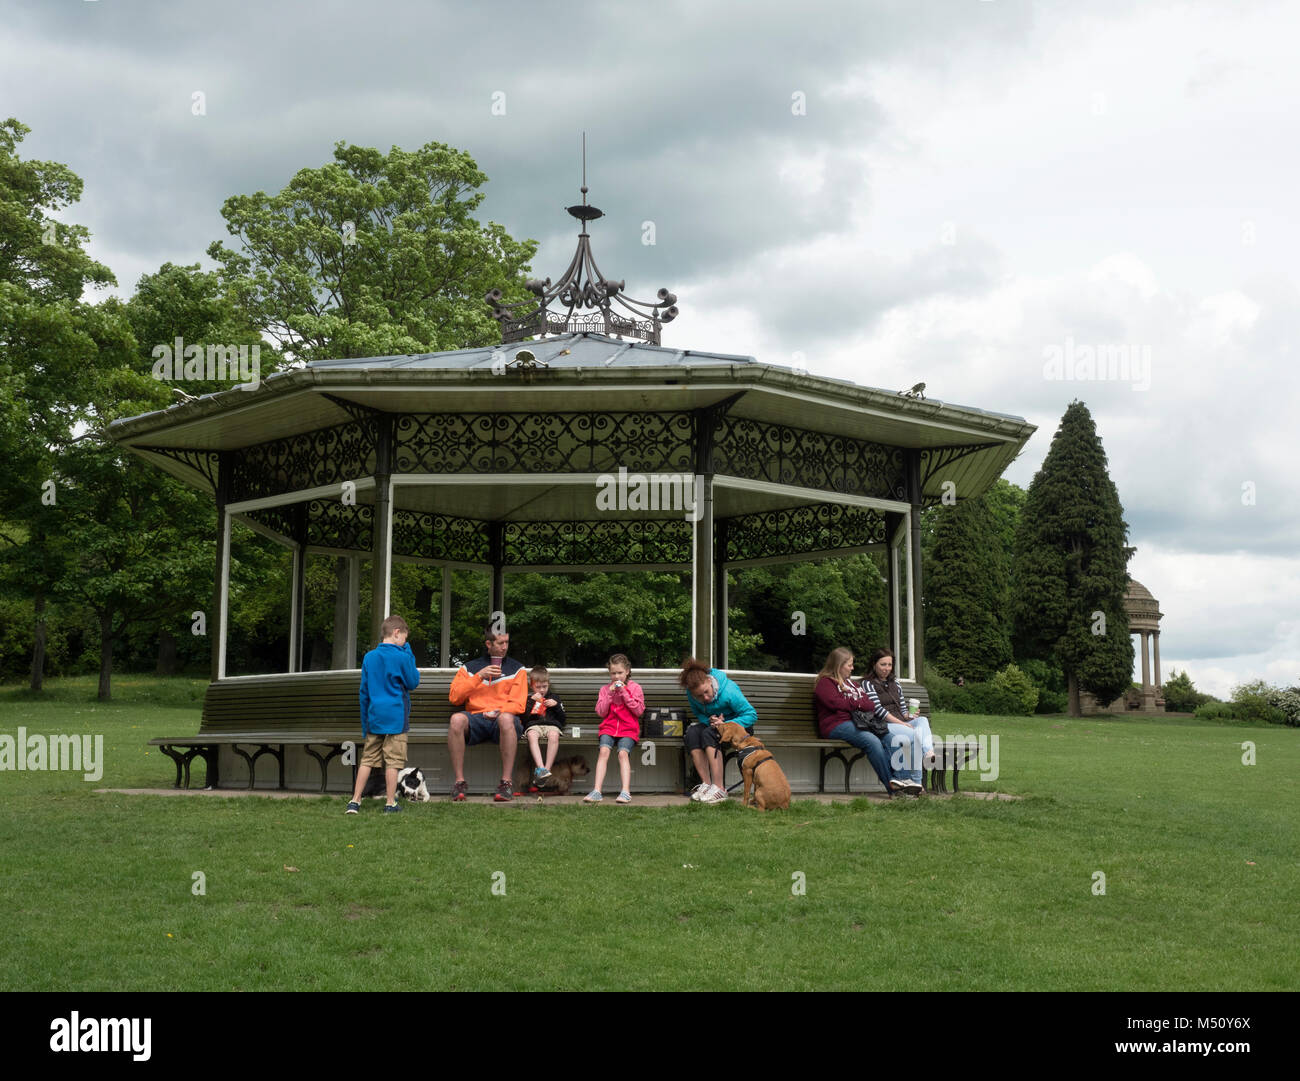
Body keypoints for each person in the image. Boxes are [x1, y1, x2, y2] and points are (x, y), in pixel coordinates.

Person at [346, 614, 421, 814]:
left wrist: (365, 723)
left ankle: (354, 801)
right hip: (396, 717)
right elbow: (413, 681)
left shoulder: (369, 657)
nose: (404, 643)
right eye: (404, 639)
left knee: (368, 759)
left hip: (374, 717)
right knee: (394, 761)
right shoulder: (402, 656)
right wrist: (409, 652)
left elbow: (364, 692)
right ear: (397, 633)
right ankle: (390, 803)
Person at [813, 646, 914, 794]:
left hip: (859, 723)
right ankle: (892, 788)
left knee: (892, 738)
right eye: (849, 665)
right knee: (872, 741)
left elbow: (870, 705)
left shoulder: (852, 684)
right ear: (838, 665)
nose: (852, 668)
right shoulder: (826, 683)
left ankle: (904, 782)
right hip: (836, 725)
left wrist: (853, 702)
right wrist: (857, 703)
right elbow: (835, 703)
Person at [447, 623, 528, 801]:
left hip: (504, 720)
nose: (505, 647)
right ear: (488, 644)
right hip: (476, 719)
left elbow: (519, 704)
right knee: (456, 720)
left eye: (507, 642)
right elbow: (454, 698)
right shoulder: (470, 668)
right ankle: (459, 782)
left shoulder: (517, 669)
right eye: (500, 643)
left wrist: (498, 711)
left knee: (507, 719)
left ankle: (506, 783)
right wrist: (479, 677)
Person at [678, 658, 757, 804]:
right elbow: (700, 714)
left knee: (708, 733)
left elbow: (751, 715)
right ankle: (707, 785)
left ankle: (719, 788)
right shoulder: (692, 694)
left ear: (709, 680)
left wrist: (726, 724)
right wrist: (709, 721)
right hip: (716, 727)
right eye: (699, 696)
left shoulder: (728, 691)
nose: (705, 698)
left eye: (706, 692)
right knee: (692, 733)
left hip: (740, 728)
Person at [863, 646, 935, 793]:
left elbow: (902, 709)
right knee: (915, 735)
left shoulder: (895, 683)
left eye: (889, 665)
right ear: (874, 664)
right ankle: (916, 783)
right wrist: (903, 723)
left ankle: (929, 753)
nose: (887, 668)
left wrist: (908, 716)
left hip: (900, 722)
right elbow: (879, 711)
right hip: (884, 725)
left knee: (922, 721)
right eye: (883, 664)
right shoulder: (868, 683)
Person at [585, 654, 645, 804]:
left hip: (628, 729)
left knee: (622, 754)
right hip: (609, 728)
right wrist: (610, 694)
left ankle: (625, 791)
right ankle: (597, 790)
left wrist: (624, 693)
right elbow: (600, 712)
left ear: (627, 672)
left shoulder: (635, 688)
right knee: (604, 751)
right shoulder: (605, 689)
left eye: (620, 673)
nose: (616, 676)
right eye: (613, 673)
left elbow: (639, 711)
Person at [522, 665, 567, 784]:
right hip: (534, 725)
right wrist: (532, 702)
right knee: (531, 735)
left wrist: (556, 706)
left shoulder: (554, 698)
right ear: (532, 686)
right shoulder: (529, 699)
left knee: (554, 735)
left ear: (549, 684)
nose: (542, 690)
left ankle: (547, 768)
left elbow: (563, 719)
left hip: (552, 725)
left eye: (544, 686)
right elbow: (524, 719)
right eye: (538, 687)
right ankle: (540, 767)